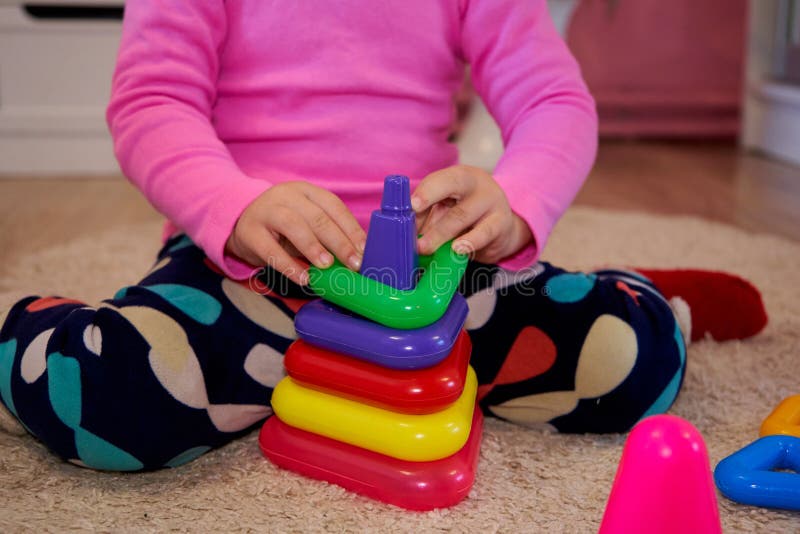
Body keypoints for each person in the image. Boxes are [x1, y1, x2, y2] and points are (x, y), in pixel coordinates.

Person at [0, 0, 766, 471]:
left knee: (632, 362)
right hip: (252, 264)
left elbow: (553, 99)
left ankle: (650, 294)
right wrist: (233, 207)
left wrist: (518, 205)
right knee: (112, 401)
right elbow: (152, 100)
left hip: (433, 267)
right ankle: (31, 325)